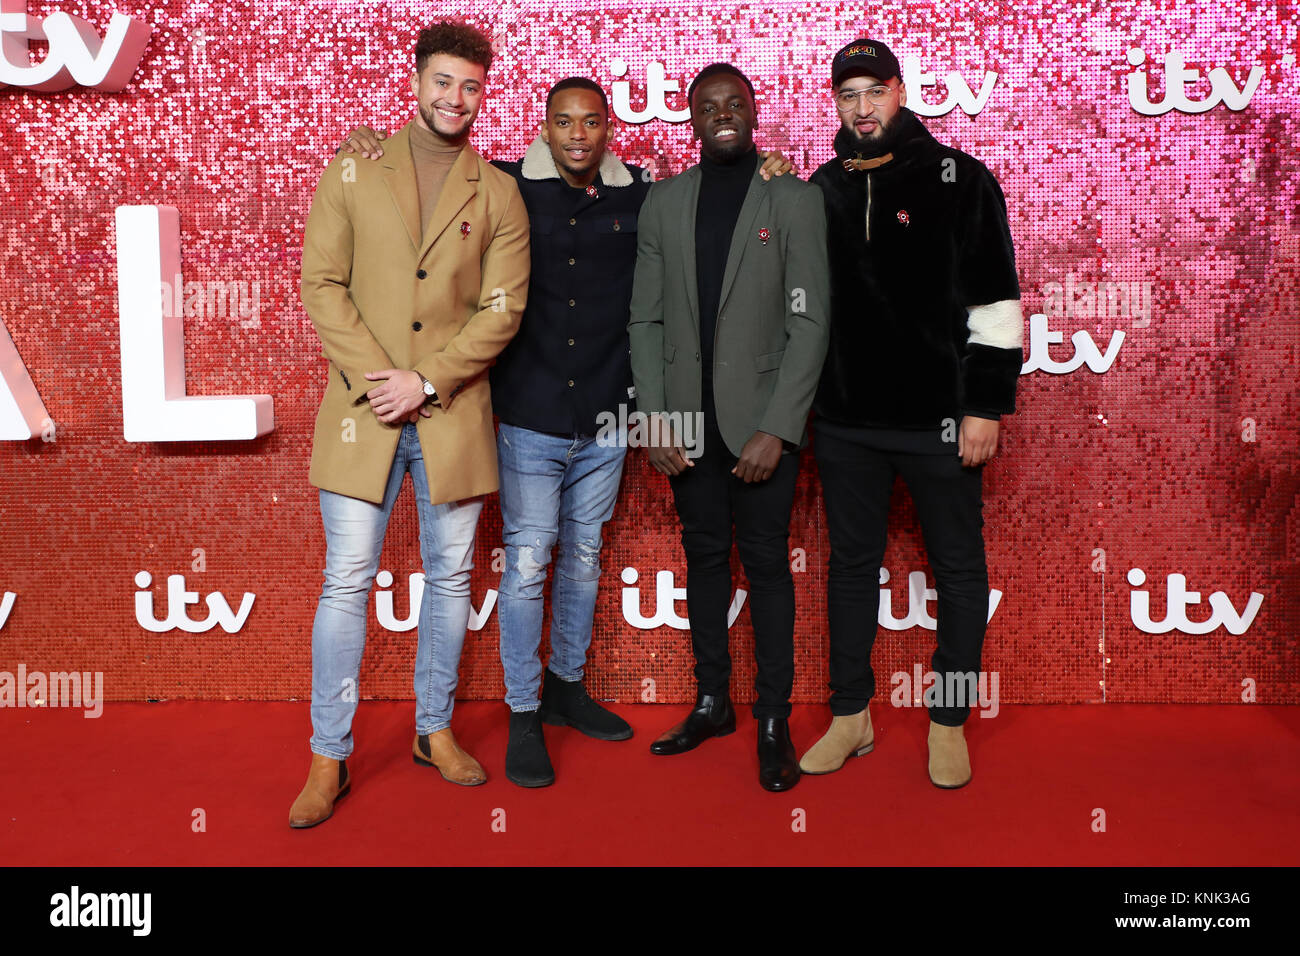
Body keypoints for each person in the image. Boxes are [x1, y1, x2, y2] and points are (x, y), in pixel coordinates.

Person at [339, 84, 795, 788]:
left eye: (591, 121)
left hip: (609, 420)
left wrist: (774, 169)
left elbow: (700, 223)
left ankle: (566, 689)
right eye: (563, 121)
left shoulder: (643, 194)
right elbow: (429, 163)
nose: (578, 134)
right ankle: (524, 711)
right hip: (530, 415)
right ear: (543, 128)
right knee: (526, 564)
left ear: (610, 128)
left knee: (582, 559)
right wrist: (366, 142)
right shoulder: (500, 185)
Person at [290, 19, 528, 827]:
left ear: (480, 94)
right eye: (443, 81)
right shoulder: (354, 168)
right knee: (346, 581)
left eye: (469, 86)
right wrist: (380, 379)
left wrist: (425, 380)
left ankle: (434, 730)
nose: (455, 98)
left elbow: (504, 310)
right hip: (362, 415)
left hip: (452, 414)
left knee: (452, 580)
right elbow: (322, 283)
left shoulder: (498, 191)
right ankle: (330, 753)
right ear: (416, 81)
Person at [802, 39, 1023, 788]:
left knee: (960, 572)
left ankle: (949, 718)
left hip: (940, 423)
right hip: (843, 422)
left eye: (875, 91)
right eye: (847, 96)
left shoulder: (960, 178)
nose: (862, 108)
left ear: (900, 92)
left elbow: (995, 303)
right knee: (850, 571)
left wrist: (986, 405)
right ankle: (850, 715)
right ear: (835, 103)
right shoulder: (822, 186)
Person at [628, 63, 830, 792]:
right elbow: (645, 318)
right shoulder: (664, 202)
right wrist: (655, 417)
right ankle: (713, 701)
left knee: (769, 567)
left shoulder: (794, 199)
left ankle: (772, 718)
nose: (722, 114)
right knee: (704, 562)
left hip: (760, 431)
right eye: (708, 105)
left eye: (734, 103)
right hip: (685, 426)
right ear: (690, 116)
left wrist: (778, 426)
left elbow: (809, 323)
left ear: (753, 111)